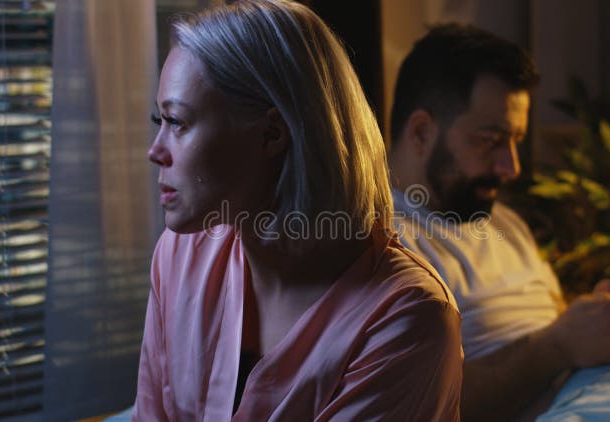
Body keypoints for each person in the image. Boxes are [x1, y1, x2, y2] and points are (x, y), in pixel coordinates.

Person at [133, 1, 463, 420]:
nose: (155, 150)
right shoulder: (179, 258)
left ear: (272, 133)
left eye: (177, 122)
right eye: (157, 121)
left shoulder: (407, 319)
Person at [388, 24, 610, 421]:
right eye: (490, 140)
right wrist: (560, 345)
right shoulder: (387, 245)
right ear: (422, 132)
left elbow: (550, 324)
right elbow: (423, 407)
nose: (510, 167)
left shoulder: (506, 223)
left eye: (515, 141)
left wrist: (601, 320)